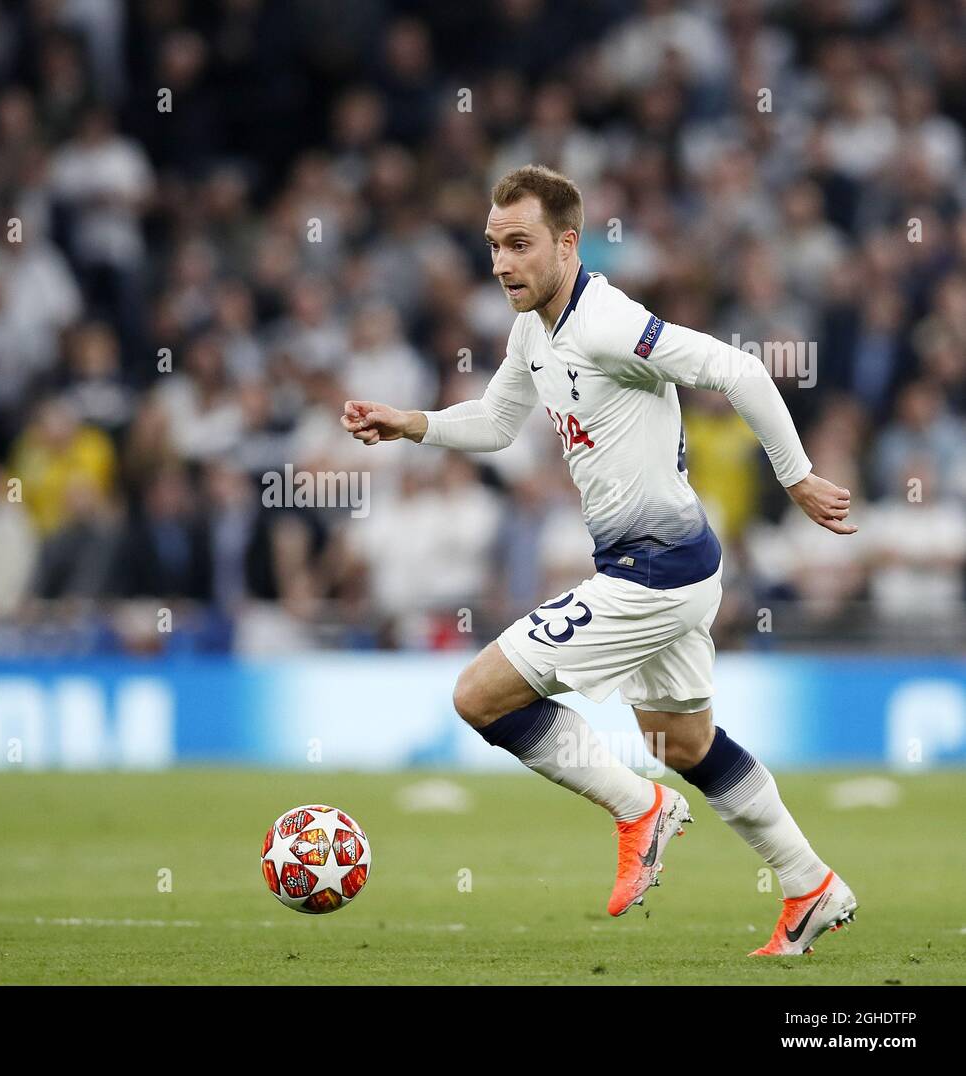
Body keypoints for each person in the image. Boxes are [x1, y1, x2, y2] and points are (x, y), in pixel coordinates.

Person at [342, 165, 858, 957]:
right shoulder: (531, 330)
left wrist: (795, 476)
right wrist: (411, 423)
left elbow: (739, 369)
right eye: (493, 246)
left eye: (520, 245)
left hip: (654, 573)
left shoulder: (610, 323)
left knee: (480, 696)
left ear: (567, 243)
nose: (503, 264)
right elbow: (495, 421)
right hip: (669, 563)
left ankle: (637, 809)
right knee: (682, 744)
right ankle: (809, 885)